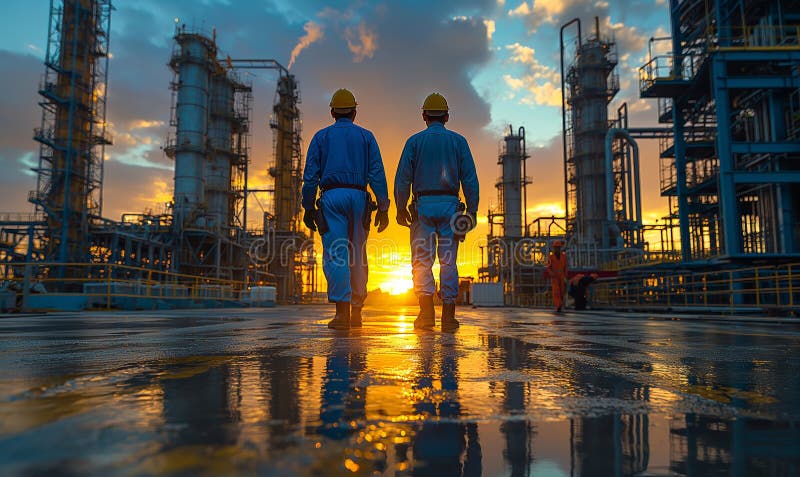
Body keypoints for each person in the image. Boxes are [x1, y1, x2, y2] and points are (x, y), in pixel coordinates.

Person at [302, 88, 390, 330]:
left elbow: (310, 177)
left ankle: (341, 314)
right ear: (354, 112)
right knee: (358, 255)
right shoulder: (366, 137)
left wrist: (308, 207)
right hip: (360, 197)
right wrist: (383, 207)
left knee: (336, 253)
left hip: (331, 197)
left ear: (332, 112)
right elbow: (376, 173)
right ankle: (356, 313)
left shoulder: (320, 137)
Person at [394, 93, 479, 331]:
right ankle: (449, 317)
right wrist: (471, 211)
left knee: (422, 260)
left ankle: (427, 314)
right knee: (448, 261)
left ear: (424, 116)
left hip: (423, 206)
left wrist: (401, 209)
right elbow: (470, 179)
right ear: (447, 116)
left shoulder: (414, 142)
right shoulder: (459, 141)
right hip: (451, 206)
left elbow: (403, 179)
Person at [545, 240, 568, 312]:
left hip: (562, 276)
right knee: (556, 291)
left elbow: (566, 267)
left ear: (560, 248)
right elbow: (548, 267)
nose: (557, 249)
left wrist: (565, 277)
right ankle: (558, 305)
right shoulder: (550, 257)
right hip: (554, 276)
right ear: (553, 248)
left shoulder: (564, 257)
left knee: (562, 291)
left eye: (558, 247)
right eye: (555, 247)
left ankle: (560, 304)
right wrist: (551, 273)